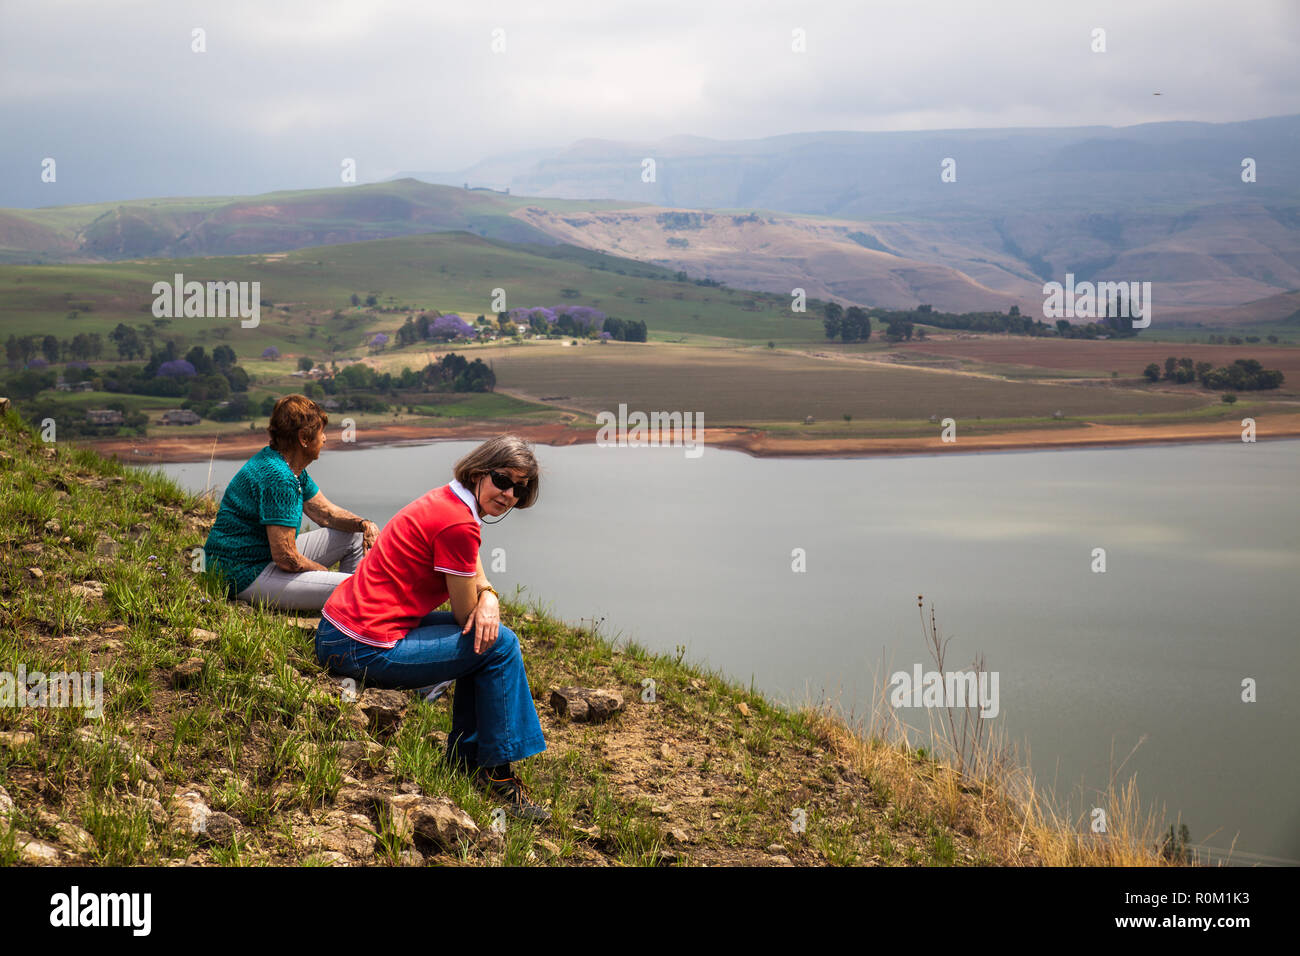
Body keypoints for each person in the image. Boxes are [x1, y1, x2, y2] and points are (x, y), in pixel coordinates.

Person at [316, 435, 550, 821]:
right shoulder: (459, 523)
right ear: (478, 473)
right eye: (503, 480)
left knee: (490, 638)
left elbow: (471, 562)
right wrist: (486, 600)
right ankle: (495, 777)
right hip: (359, 645)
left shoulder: (450, 500)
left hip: (338, 629)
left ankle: (472, 763)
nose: (509, 494)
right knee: (499, 644)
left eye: (519, 488)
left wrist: (488, 594)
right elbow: (465, 616)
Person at [203, 394, 378, 611]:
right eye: (321, 433)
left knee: (354, 536)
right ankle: (352, 610)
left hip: (263, 557)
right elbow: (286, 558)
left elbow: (326, 514)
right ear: (304, 439)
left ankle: (348, 612)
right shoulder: (279, 478)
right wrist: (323, 573)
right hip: (242, 573)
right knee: (357, 588)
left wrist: (364, 524)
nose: (324, 439)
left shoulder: (288, 466)